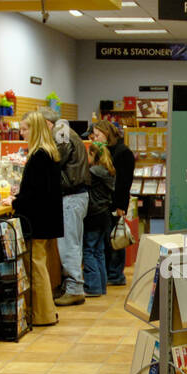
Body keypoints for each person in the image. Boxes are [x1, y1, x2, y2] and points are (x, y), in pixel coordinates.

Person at [14, 112, 64, 326]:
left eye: (25, 129)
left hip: (37, 221)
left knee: (36, 268)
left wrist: (16, 202)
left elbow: (33, 193)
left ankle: (43, 314)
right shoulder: (49, 153)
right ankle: (46, 311)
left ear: (35, 129)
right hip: (47, 219)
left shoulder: (38, 156)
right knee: (40, 266)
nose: (21, 133)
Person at [48, 112, 90, 306]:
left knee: (68, 245)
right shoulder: (67, 131)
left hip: (71, 196)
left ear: (47, 123)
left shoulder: (61, 133)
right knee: (73, 244)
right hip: (77, 196)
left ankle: (74, 289)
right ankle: (73, 286)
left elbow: (55, 161)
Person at [91, 120, 134, 286]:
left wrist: (121, 205)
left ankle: (116, 274)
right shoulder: (106, 151)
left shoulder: (123, 152)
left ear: (106, 133)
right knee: (109, 238)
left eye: (97, 135)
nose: (95, 138)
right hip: (106, 202)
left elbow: (125, 182)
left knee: (116, 237)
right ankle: (111, 273)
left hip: (116, 202)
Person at [83, 141, 116, 297]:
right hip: (105, 214)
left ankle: (93, 286)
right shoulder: (109, 171)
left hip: (93, 214)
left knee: (89, 251)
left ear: (93, 154)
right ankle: (102, 285)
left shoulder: (93, 172)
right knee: (99, 251)